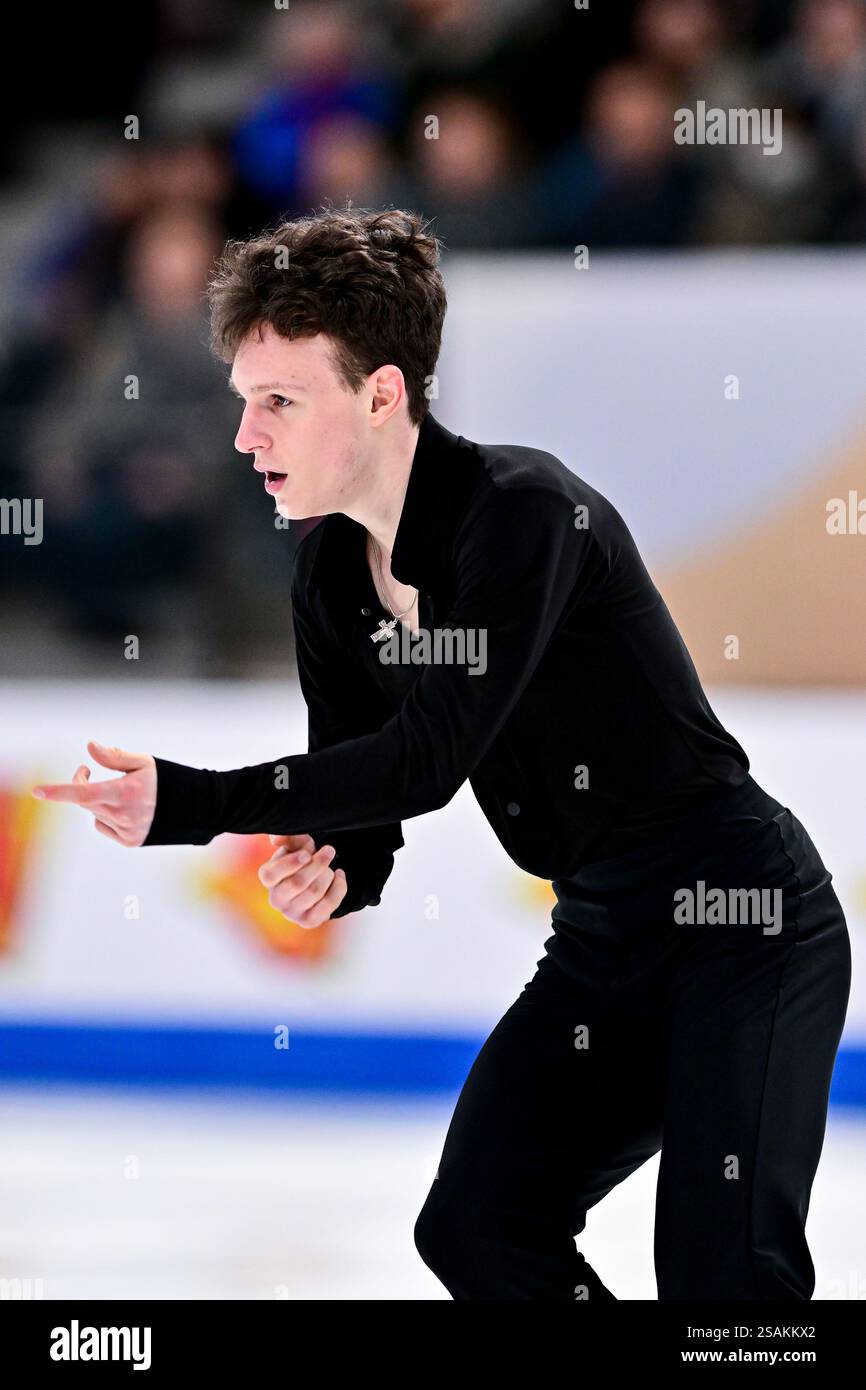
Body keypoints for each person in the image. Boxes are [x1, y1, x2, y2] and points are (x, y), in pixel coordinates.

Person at [32, 206, 851, 1300]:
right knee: (477, 1226)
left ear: (380, 394)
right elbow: (365, 780)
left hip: (745, 927)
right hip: (605, 945)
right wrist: (344, 867)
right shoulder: (329, 573)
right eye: (243, 403)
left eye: (279, 402)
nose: (245, 438)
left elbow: (424, 757)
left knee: (722, 1286)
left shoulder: (522, 515)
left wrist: (189, 799)